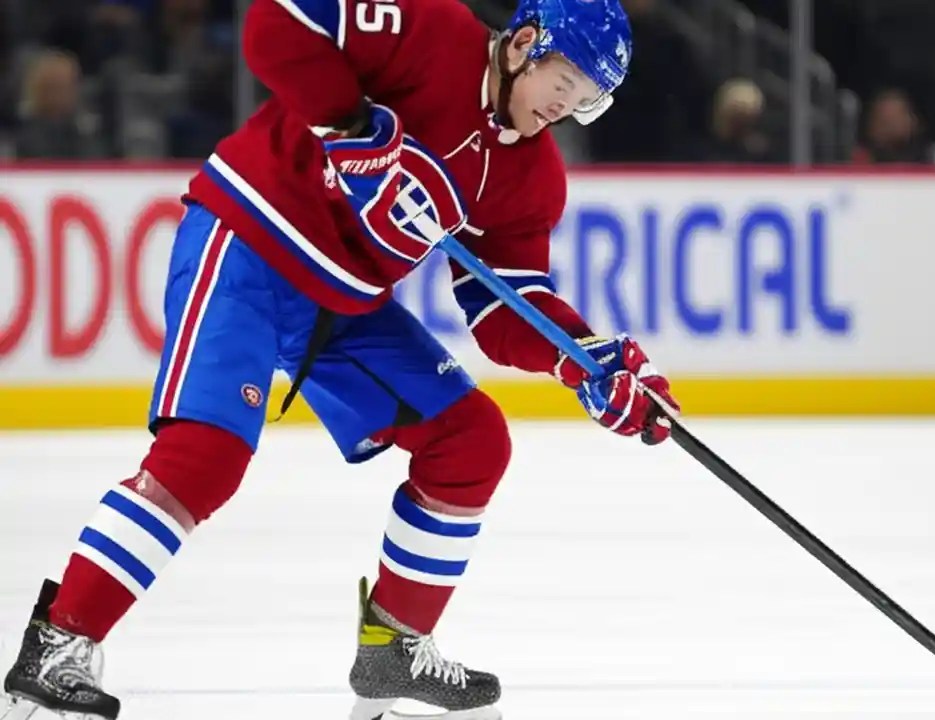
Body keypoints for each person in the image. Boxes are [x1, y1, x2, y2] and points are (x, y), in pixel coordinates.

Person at [1, 1, 680, 719]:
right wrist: (349, 123)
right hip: (249, 240)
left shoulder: (529, 175)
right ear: (522, 45)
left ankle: (395, 645)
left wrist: (587, 361)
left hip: (339, 304)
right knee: (206, 454)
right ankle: (60, 641)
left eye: (586, 99)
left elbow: (506, 307)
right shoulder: (430, 31)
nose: (564, 110)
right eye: (565, 83)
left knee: (471, 440)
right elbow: (275, 22)